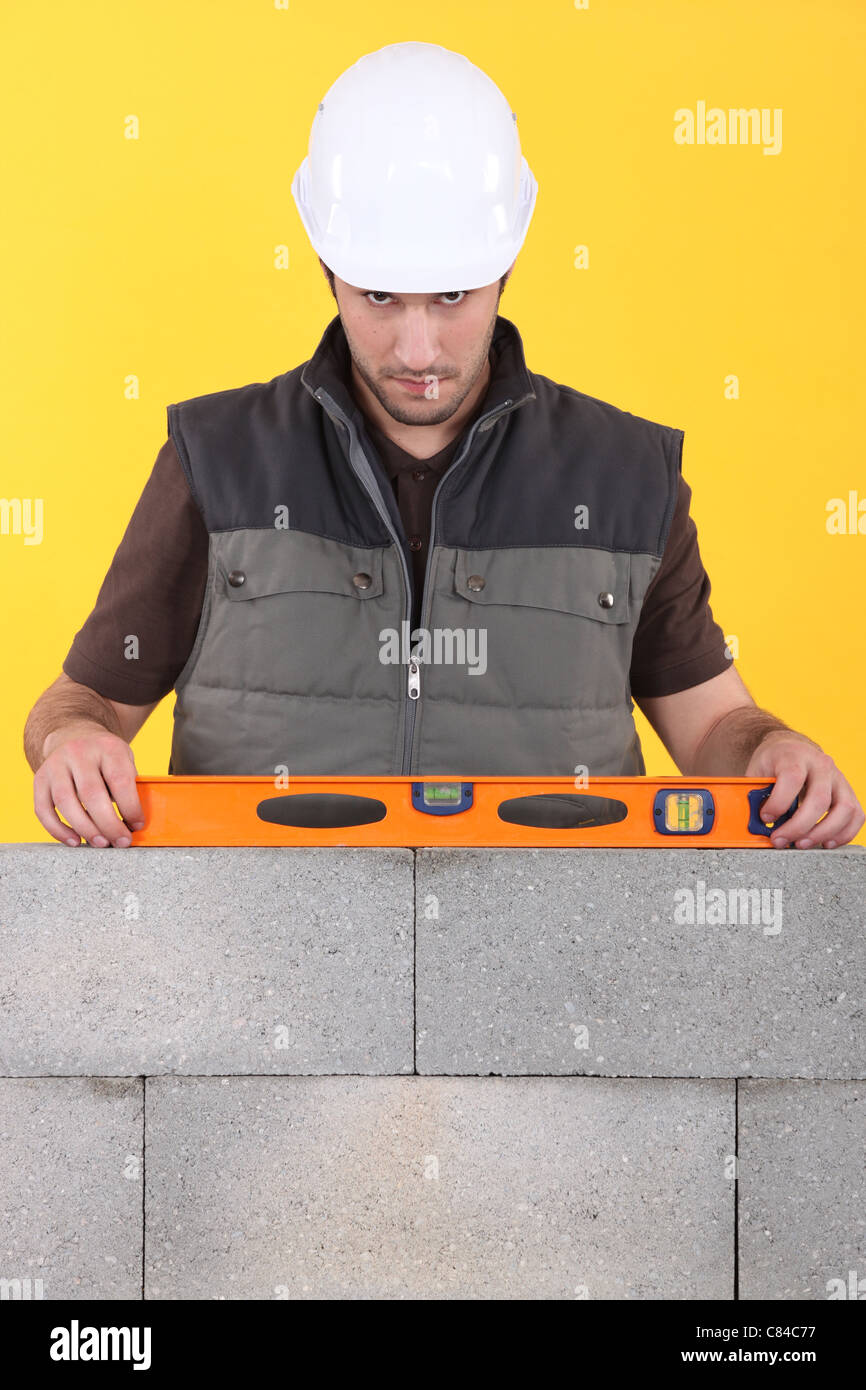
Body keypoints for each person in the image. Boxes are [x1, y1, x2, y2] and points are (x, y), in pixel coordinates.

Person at [23, 41, 863, 852]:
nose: (418, 351)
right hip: (253, 975)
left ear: (506, 266)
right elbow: (85, 698)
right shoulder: (216, 458)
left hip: (564, 976)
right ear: (327, 267)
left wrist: (772, 755)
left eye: (454, 295)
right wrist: (71, 743)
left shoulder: (626, 477)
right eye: (380, 297)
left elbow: (715, 725)